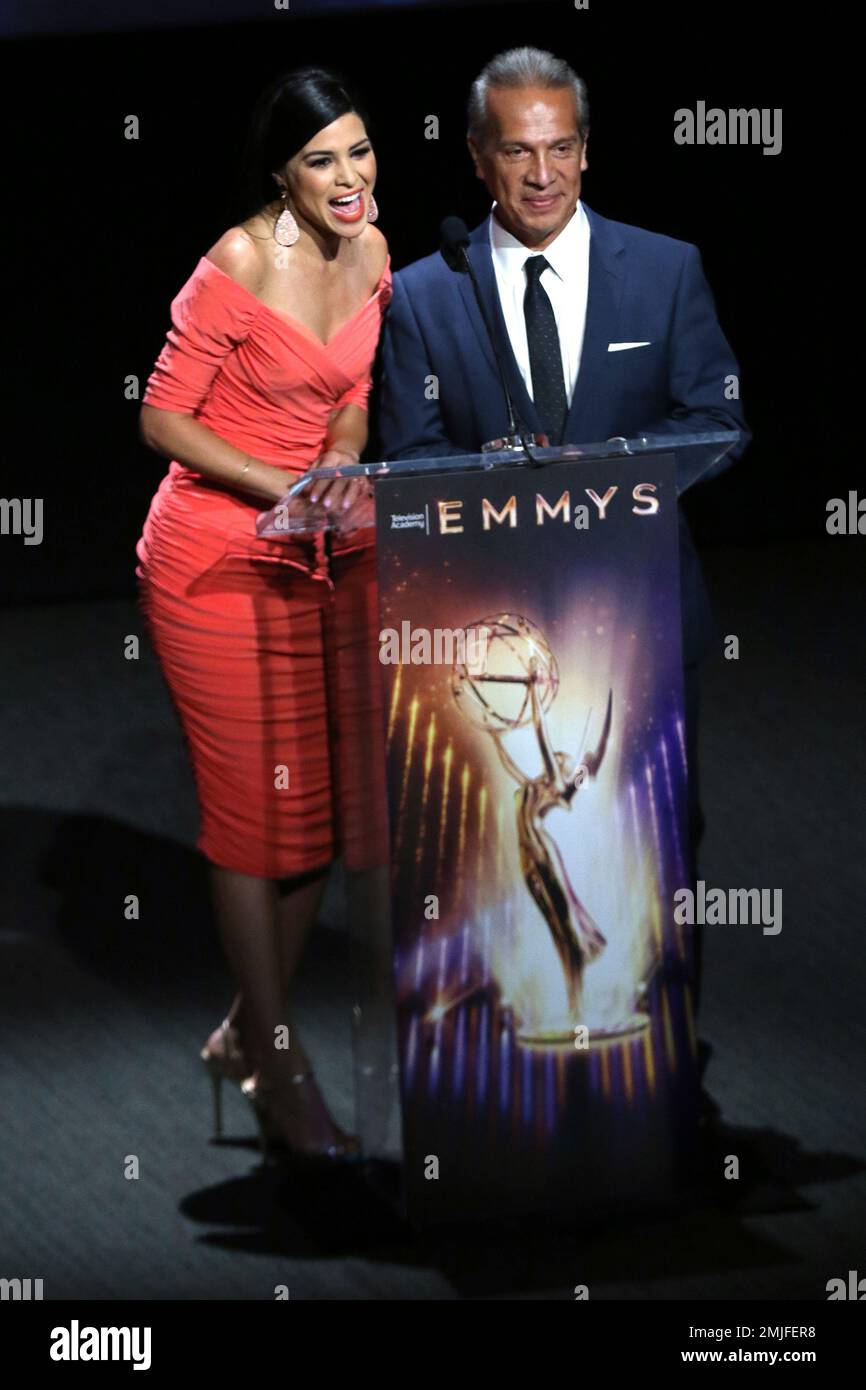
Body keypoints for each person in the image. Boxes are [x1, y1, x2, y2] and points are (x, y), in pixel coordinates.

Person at [378, 46, 750, 1109]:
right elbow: (401, 460)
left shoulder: (663, 267)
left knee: (655, 845)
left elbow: (717, 418)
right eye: (516, 153)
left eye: (558, 150)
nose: (540, 175)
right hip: (494, 650)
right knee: (508, 854)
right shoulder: (423, 296)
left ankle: (663, 1073)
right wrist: (481, 486)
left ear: (584, 152)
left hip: (636, 623)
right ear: (477, 159)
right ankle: (522, 1091)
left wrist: (609, 477)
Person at [136, 67, 390, 1161]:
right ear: (282, 177)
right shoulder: (240, 258)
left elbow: (352, 394)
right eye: (322, 160)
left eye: (360, 151)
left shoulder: (375, 251)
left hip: (324, 553)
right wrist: (273, 483)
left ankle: (244, 1030)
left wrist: (335, 462)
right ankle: (278, 1063)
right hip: (215, 559)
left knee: (325, 821)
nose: (349, 178)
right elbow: (160, 417)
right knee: (252, 823)